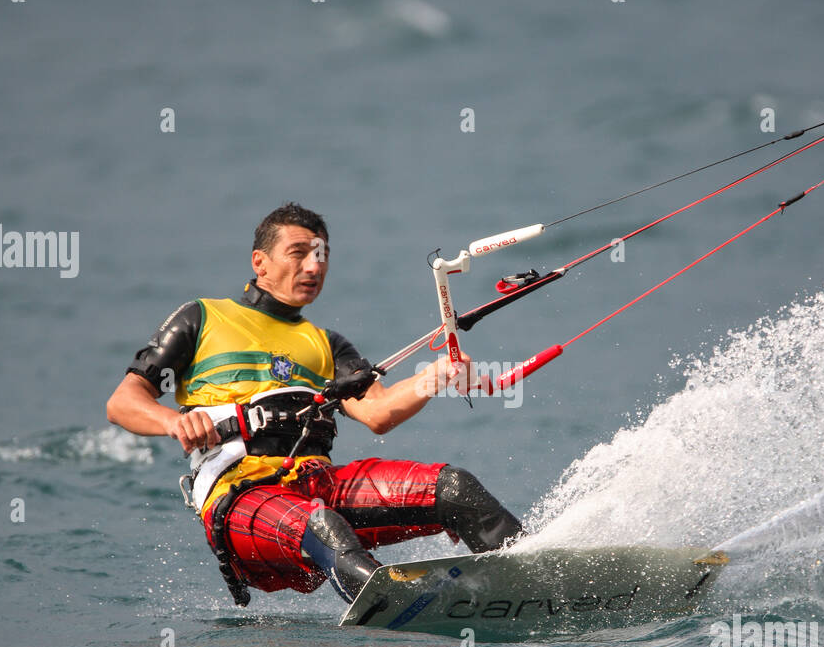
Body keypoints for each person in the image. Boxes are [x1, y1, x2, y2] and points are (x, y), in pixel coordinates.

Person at [106, 202, 523, 606]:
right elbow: (124, 401)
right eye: (298, 253)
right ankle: (403, 607)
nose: (313, 266)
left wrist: (437, 376)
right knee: (325, 527)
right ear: (260, 262)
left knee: (456, 490)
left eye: (321, 255)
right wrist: (173, 422)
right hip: (241, 501)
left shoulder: (327, 344)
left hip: (318, 488)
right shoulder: (202, 318)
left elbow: (378, 412)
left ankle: (532, 582)